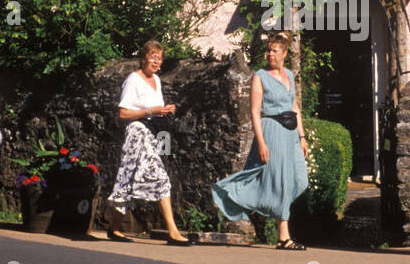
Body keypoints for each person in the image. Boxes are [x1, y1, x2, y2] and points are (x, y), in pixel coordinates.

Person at [212, 32, 311, 250]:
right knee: (282, 182)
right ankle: (284, 237)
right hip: (272, 131)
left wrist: (302, 137)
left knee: (300, 181)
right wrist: (262, 142)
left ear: (284, 53)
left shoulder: (289, 75)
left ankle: (265, 201)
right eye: (268, 50)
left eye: (274, 51)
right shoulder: (260, 76)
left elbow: (295, 107)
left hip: (291, 133)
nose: (269, 54)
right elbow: (255, 112)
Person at [104, 40, 194, 245]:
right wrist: (151, 111)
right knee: (161, 179)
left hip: (153, 134)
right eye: (153, 56)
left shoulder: (157, 81)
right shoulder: (133, 80)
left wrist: (164, 112)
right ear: (143, 57)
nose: (156, 61)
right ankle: (173, 232)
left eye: (159, 58)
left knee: (128, 178)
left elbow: (157, 110)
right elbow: (123, 113)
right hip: (137, 133)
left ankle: (115, 228)